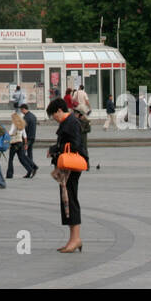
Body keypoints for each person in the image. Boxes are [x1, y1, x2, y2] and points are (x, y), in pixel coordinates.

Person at [47, 98, 86, 252]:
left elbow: (75, 144)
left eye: (53, 115)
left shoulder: (71, 123)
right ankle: (73, 239)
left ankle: (76, 239)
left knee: (70, 200)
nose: (54, 118)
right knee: (67, 201)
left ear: (59, 110)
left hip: (71, 167)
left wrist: (56, 150)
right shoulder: (68, 122)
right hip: (67, 167)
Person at [6, 107, 36, 179]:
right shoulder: (22, 125)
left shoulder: (14, 124)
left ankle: (9, 174)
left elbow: (11, 133)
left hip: (14, 143)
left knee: (11, 159)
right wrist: (25, 144)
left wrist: (6, 133)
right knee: (21, 157)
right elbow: (25, 135)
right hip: (20, 143)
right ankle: (30, 169)